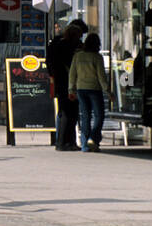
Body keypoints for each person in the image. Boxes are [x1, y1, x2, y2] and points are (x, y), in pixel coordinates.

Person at [47, 19, 86, 151]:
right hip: (70, 82)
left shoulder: (56, 44)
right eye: (80, 35)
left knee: (65, 111)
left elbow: (49, 62)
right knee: (69, 112)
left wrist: (53, 75)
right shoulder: (71, 47)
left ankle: (64, 141)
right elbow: (74, 65)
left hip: (59, 81)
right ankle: (64, 142)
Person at [68, 32, 110, 152]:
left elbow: (72, 74)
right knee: (99, 115)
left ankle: (85, 144)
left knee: (85, 116)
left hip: (81, 89)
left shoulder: (78, 56)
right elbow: (101, 76)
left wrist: (71, 89)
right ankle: (94, 138)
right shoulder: (97, 57)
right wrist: (108, 91)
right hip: (94, 89)